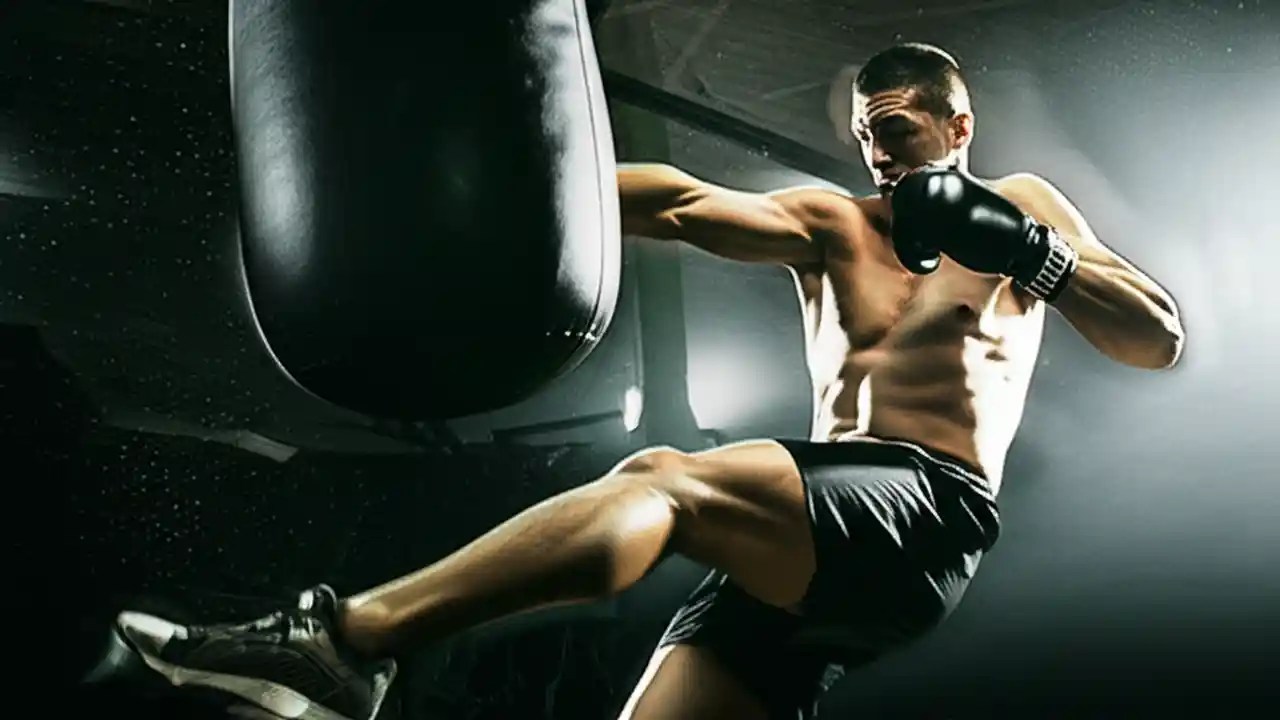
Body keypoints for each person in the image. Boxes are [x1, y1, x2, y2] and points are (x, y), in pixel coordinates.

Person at [115, 43, 1184, 720]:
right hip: (807, 546)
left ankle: (344, 643)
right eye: (866, 138)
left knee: (666, 480)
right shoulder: (830, 225)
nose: (881, 161)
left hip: (923, 509)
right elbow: (677, 203)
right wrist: (499, 188)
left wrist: (1027, 248)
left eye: (899, 132)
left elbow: (1153, 339)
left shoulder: (1022, 203)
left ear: (956, 125)